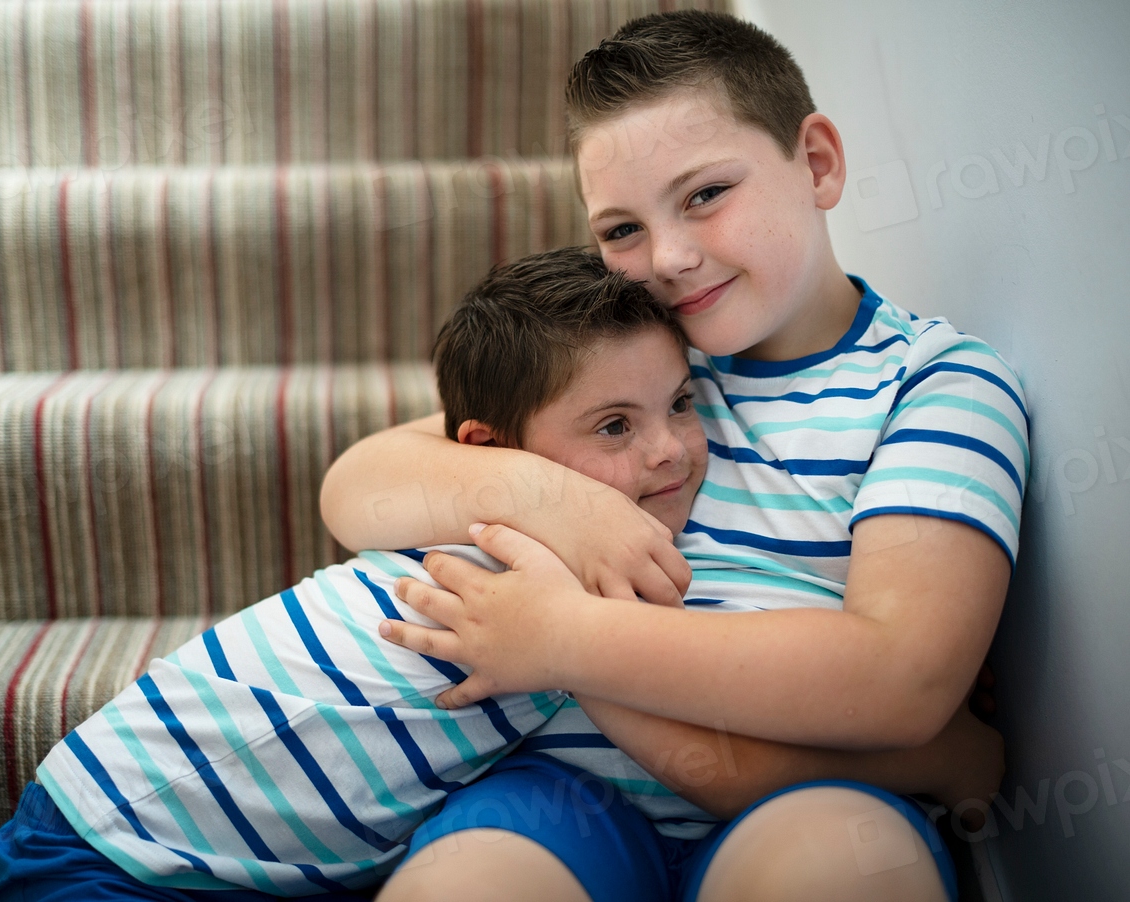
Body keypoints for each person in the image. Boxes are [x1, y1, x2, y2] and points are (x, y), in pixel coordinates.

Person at [0, 250, 999, 902]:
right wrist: (935, 763)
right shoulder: (541, 581)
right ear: (493, 450)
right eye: (614, 426)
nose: (669, 450)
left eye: (680, 404)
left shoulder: (511, 529)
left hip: (180, 830)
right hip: (115, 846)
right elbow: (713, 764)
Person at [322, 12, 1028, 902]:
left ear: (817, 164)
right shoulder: (638, 365)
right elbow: (359, 484)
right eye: (621, 230)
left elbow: (902, 678)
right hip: (557, 791)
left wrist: (565, 639)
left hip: (810, 790)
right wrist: (558, 500)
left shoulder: (933, 384)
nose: (670, 258)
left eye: (705, 195)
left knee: (840, 870)